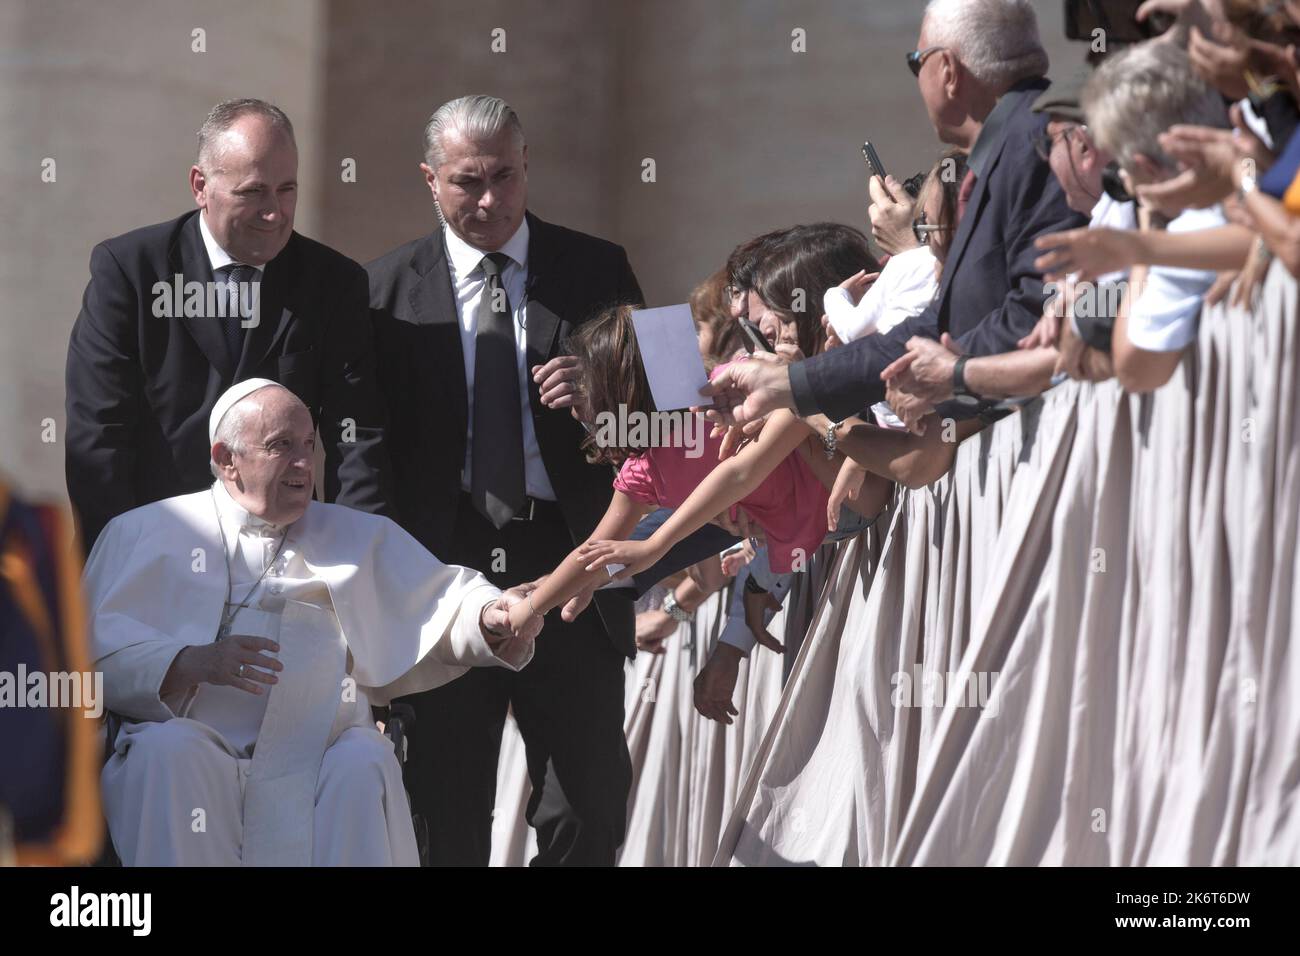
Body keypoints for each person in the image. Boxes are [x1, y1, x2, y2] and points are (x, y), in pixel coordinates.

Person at [85, 380, 538, 867]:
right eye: (282, 446)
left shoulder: (354, 535)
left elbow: (446, 603)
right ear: (226, 459)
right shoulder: (147, 531)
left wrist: (490, 615)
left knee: (363, 762)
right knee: (165, 754)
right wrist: (191, 662)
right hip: (199, 752)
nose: (304, 464)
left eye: (309, 445)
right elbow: (89, 658)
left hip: (319, 756)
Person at [365, 94, 642, 866]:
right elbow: (366, 454)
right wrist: (375, 585)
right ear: (429, 179)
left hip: (569, 558)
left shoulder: (597, 268)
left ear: (527, 170)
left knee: (587, 802)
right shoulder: (382, 293)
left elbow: (660, 428)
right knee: (443, 810)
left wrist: (603, 402)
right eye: (467, 181)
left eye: (506, 178)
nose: (490, 200)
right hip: (439, 571)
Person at [701, 0, 1086, 428]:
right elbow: (942, 326)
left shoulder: (1034, 144)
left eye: (915, 62)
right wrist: (790, 383)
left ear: (947, 71)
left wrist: (952, 373)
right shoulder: (1005, 148)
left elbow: (1037, 312)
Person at [64, 98, 392, 554]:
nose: (275, 212)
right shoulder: (131, 272)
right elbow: (99, 433)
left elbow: (356, 436)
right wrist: (118, 557)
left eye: (287, 189)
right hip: (153, 543)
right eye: (253, 191)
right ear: (201, 185)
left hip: (285, 551)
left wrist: (356, 554)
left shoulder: (333, 284)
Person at [503, 306, 893, 637]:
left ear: (615, 405)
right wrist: (542, 595)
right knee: (787, 394)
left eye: (586, 407)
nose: (581, 420)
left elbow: (738, 474)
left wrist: (534, 606)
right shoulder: (647, 466)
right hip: (841, 518)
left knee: (788, 395)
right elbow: (597, 554)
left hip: (847, 505)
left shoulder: (723, 397)